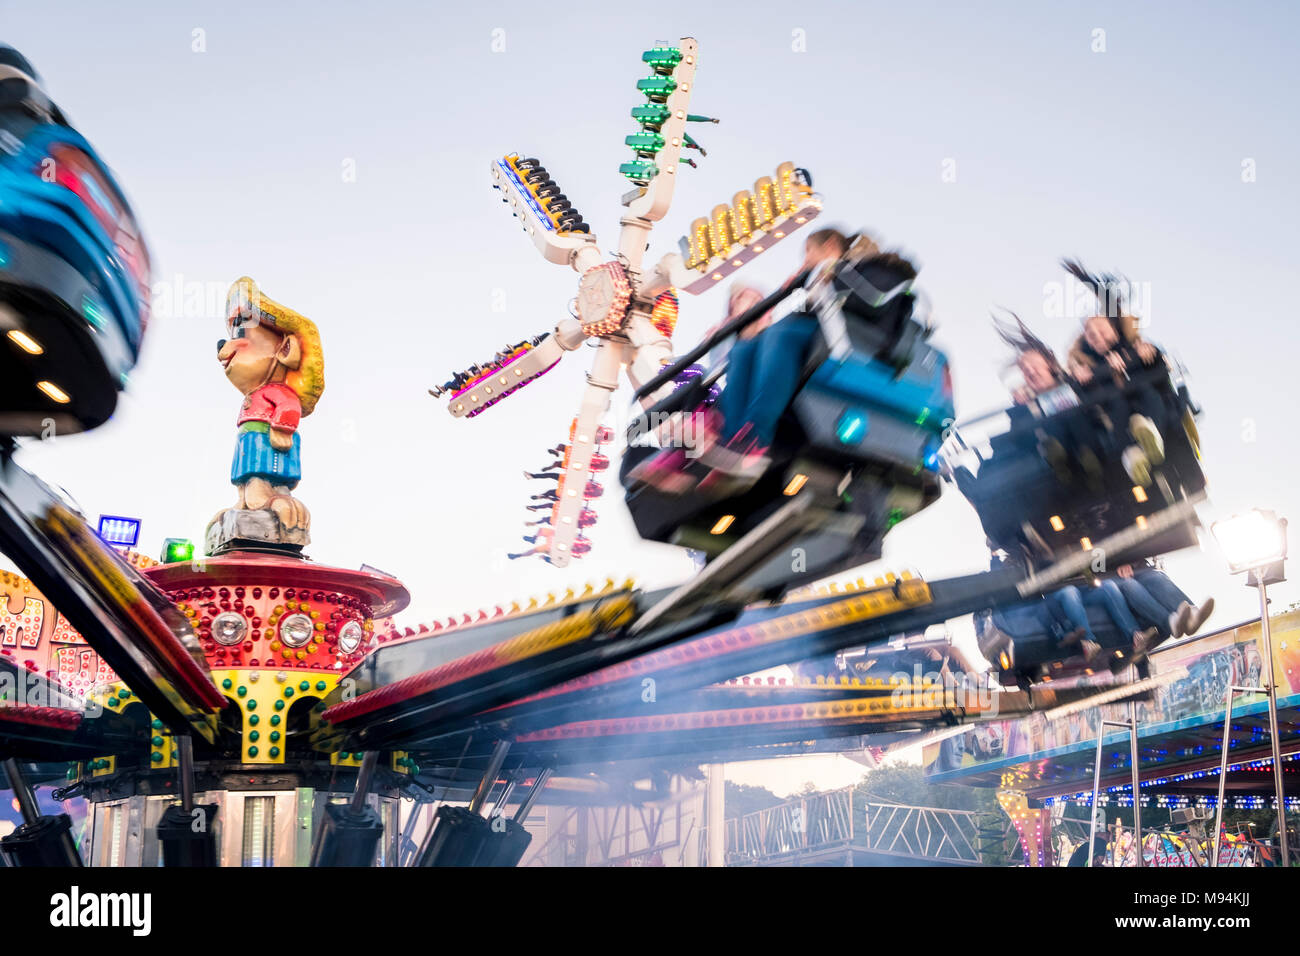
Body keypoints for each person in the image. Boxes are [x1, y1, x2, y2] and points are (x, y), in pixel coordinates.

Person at [630, 228, 852, 492]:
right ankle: (728, 447)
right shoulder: (730, 332)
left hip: (833, 334)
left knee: (762, 346)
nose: (805, 259)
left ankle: (749, 440)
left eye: (808, 252)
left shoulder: (837, 269)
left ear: (827, 246)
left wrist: (808, 280)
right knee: (741, 353)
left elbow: (824, 304)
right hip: (780, 343)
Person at [1111, 561, 1214, 639]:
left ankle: (1192, 616)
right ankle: (1171, 623)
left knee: (1156, 577)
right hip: (1112, 576)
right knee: (1131, 585)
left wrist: (1127, 562)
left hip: (1134, 567)